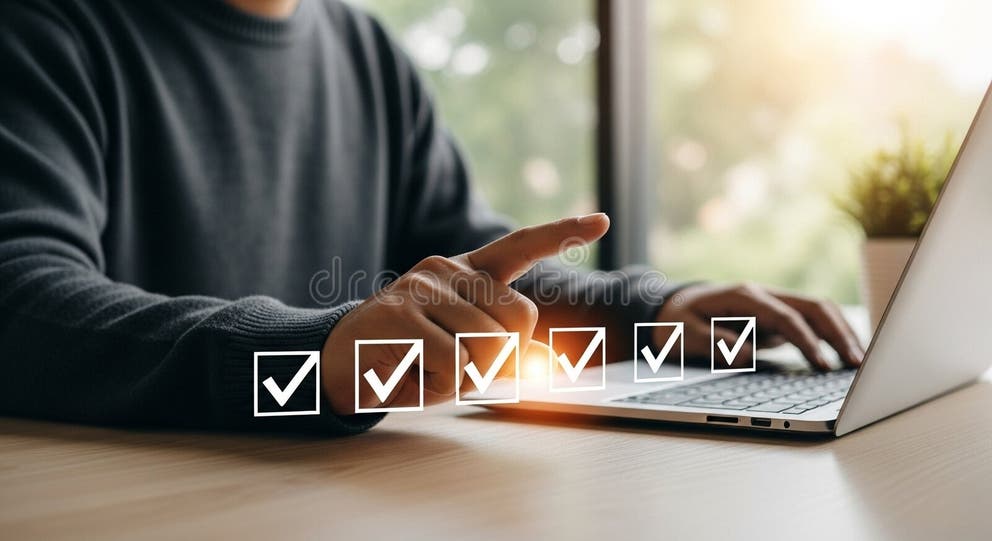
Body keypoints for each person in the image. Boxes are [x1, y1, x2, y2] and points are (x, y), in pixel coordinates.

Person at [0, 0, 862, 435]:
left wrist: (659, 311)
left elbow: (471, 272)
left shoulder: (366, 53)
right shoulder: (45, 30)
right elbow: (21, 303)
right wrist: (310, 360)